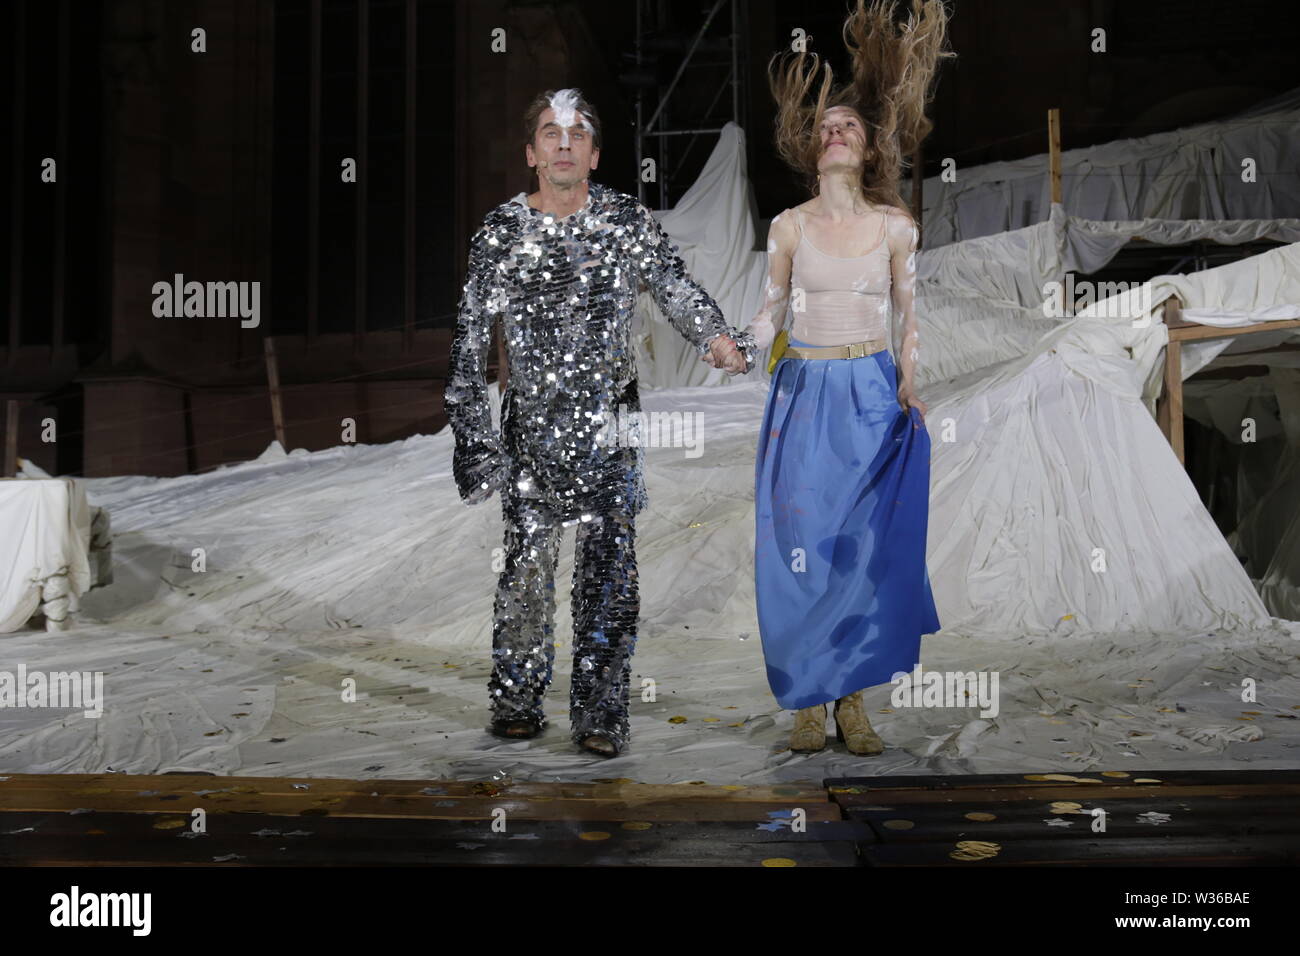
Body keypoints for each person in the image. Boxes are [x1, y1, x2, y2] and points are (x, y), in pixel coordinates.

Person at [445, 88, 754, 758]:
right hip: (531, 433)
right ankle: (519, 699)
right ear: (531, 153)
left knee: (609, 576)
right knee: (526, 573)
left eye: (577, 133)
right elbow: (469, 342)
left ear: (594, 152)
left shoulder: (622, 220)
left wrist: (715, 338)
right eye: (550, 133)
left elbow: (671, 283)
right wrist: (475, 443)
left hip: (610, 430)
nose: (563, 144)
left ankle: (600, 713)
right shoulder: (500, 232)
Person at [741, 0, 952, 755]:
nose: (834, 132)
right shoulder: (789, 226)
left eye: (848, 127)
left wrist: (908, 381)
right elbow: (771, 313)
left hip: (868, 391)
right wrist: (739, 342)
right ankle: (806, 699)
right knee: (798, 543)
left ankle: (853, 701)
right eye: (825, 127)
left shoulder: (895, 228)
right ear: (813, 148)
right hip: (801, 394)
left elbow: (909, 313)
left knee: (859, 547)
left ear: (866, 151)